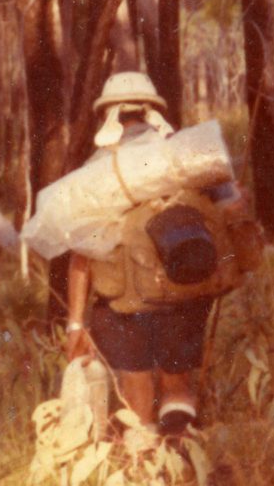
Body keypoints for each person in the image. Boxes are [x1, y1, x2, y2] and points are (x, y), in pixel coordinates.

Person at [64, 71, 215, 443]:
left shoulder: (97, 169)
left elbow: (82, 257)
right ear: (151, 111)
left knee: (136, 391)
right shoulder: (180, 158)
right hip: (182, 293)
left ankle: (143, 455)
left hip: (122, 305)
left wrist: (75, 323)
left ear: (109, 114)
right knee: (178, 385)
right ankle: (179, 453)